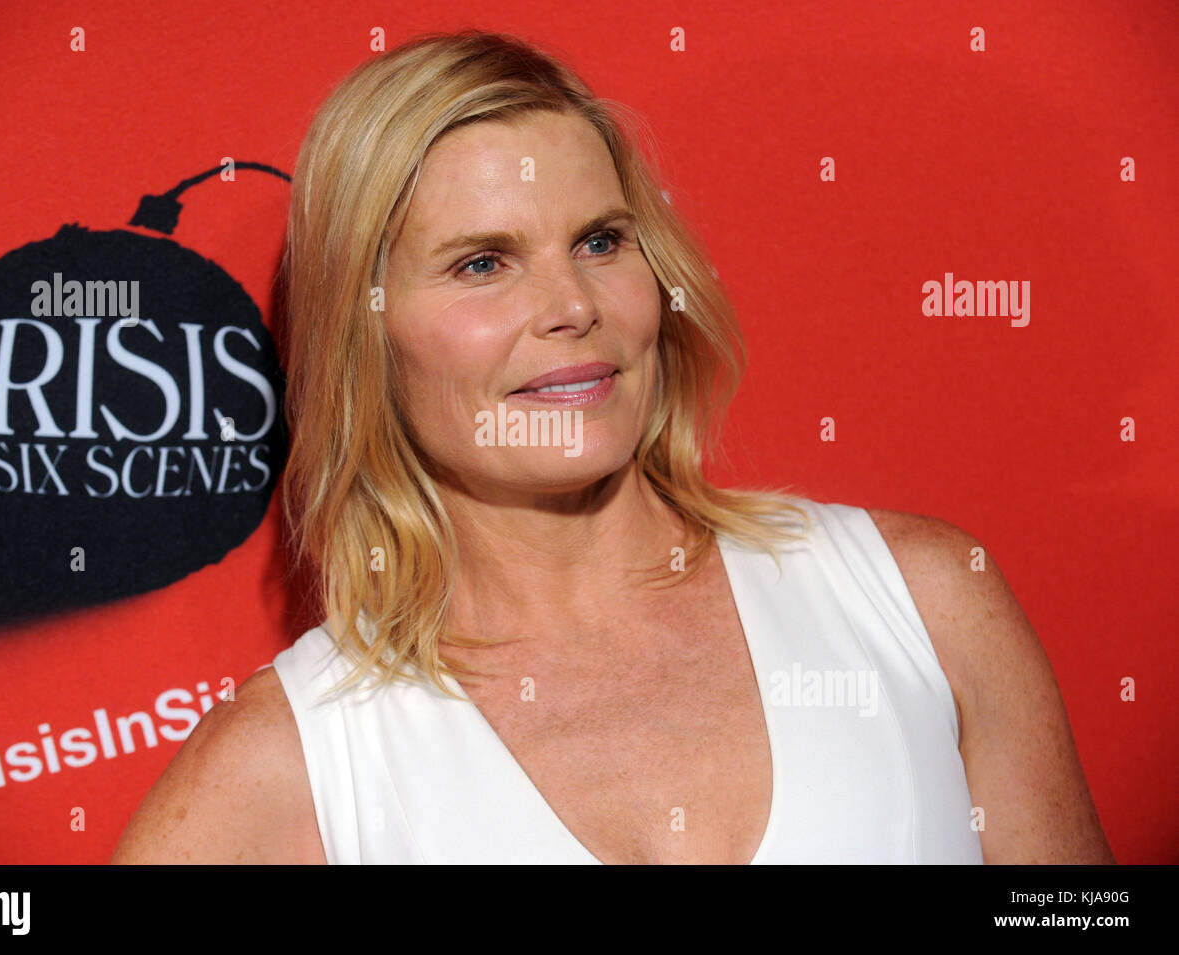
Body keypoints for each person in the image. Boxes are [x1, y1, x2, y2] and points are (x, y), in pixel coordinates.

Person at [111, 30, 1114, 865]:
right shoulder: (282, 772)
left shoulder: (925, 601)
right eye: (483, 263)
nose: (572, 306)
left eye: (600, 242)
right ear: (363, 334)